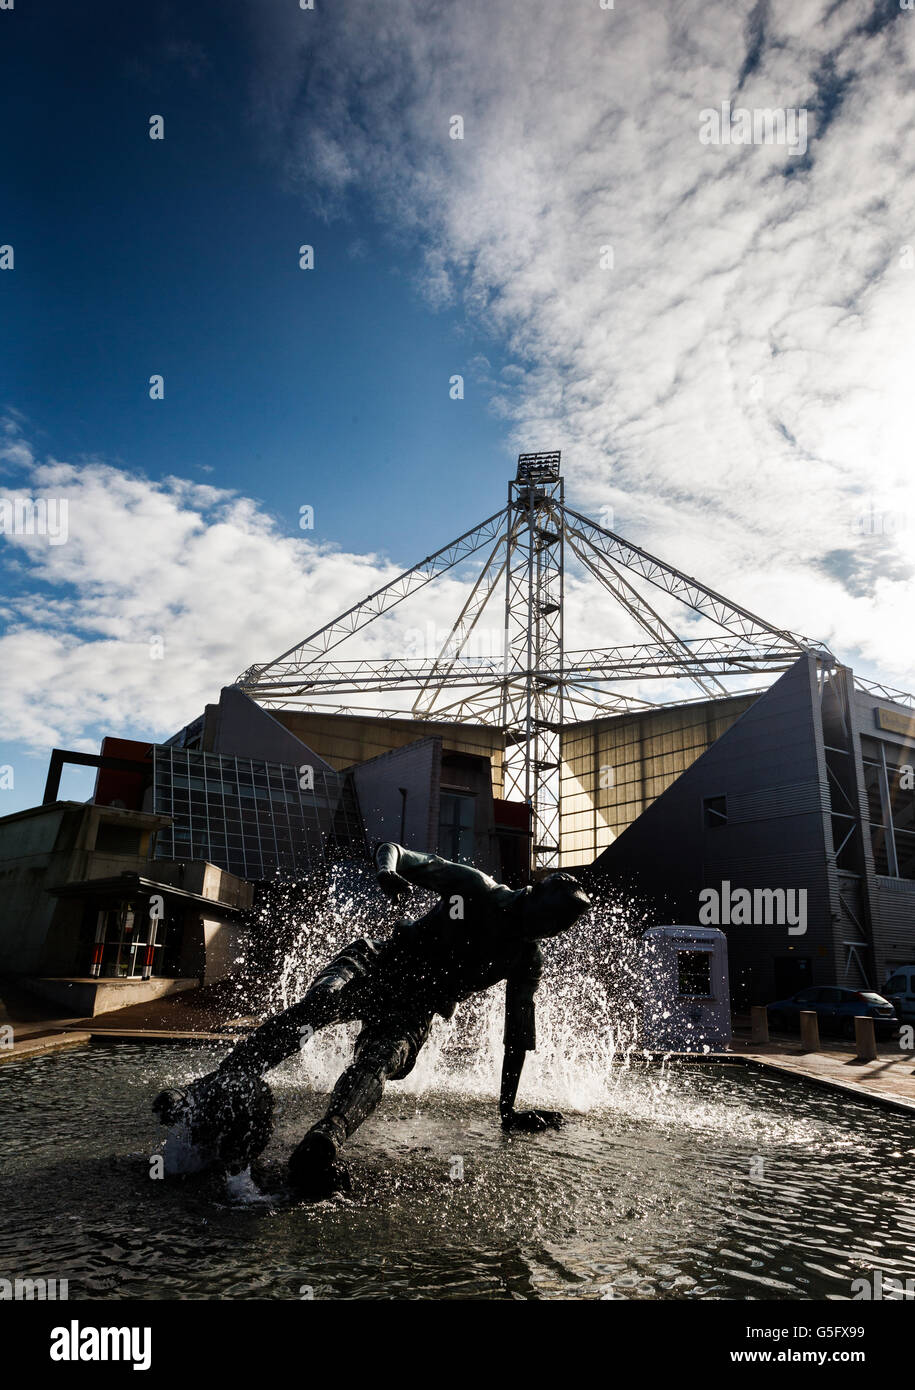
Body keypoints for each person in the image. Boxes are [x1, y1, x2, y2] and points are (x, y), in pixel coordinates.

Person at [153, 843, 591, 1198]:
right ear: (533, 895)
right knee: (317, 1008)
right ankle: (202, 1091)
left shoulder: (525, 957)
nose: (547, 932)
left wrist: (507, 1111)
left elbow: (516, 1038)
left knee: (380, 1060)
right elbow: (396, 851)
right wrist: (387, 872)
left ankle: (324, 1142)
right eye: (547, 920)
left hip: (414, 1007)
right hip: (379, 964)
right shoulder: (475, 888)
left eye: (557, 929)